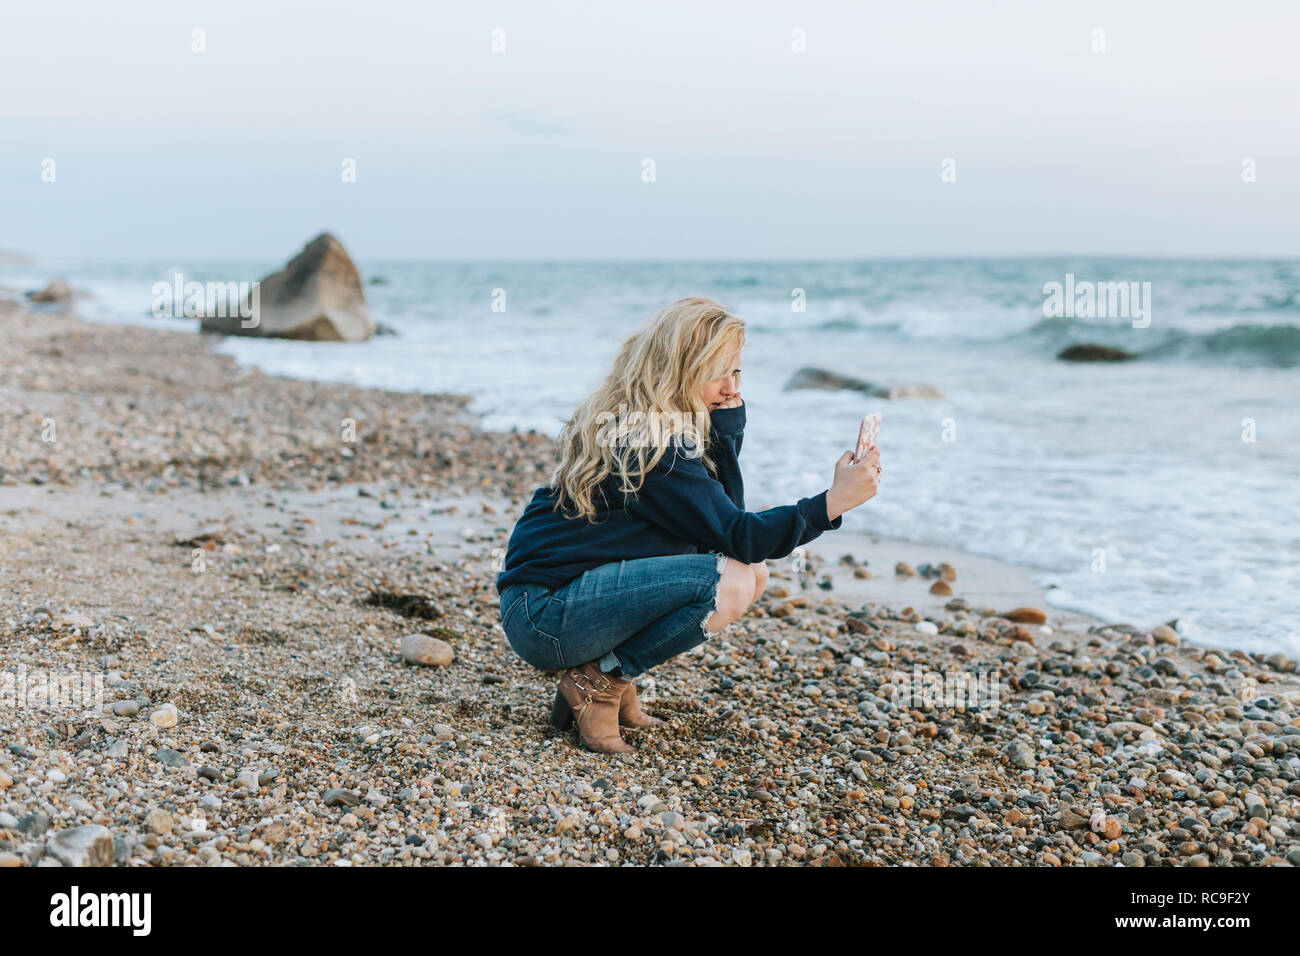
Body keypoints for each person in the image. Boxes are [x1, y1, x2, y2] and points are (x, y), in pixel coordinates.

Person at [496, 296, 882, 753]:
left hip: (554, 604)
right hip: (544, 618)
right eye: (715, 372)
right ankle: (598, 683)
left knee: (748, 571)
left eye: (736, 371)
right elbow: (739, 535)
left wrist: (726, 433)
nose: (729, 385)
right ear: (677, 369)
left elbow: (723, 529)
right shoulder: (651, 444)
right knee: (735, 579)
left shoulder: (647, 423)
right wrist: (833, 502)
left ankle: (610, 677)